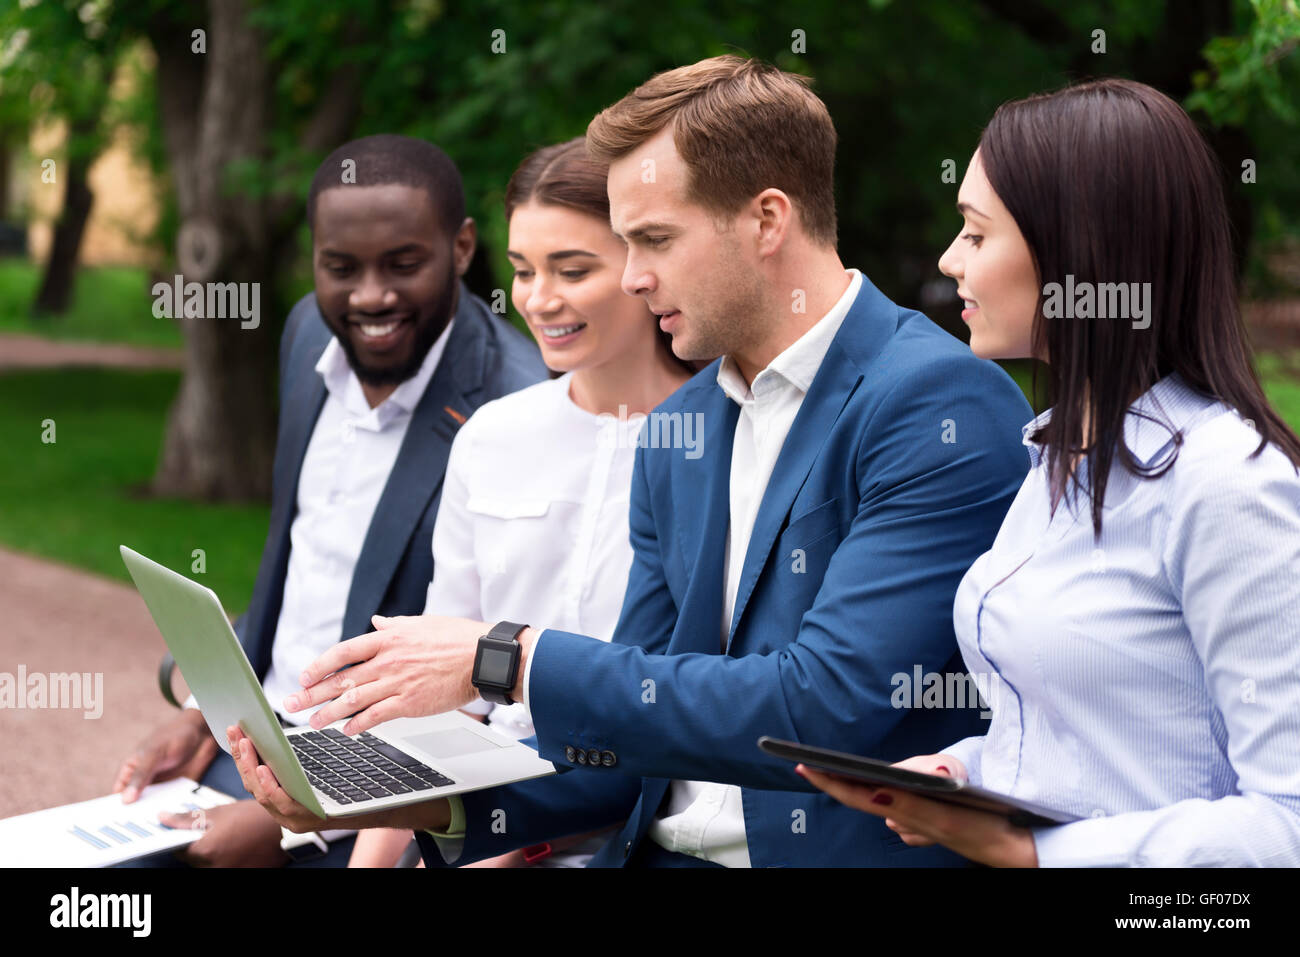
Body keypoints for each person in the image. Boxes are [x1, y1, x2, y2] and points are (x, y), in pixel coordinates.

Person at [228, 55, 1035, 868]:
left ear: (766, 220)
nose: (636, 276)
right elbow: (629, 741)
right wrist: (399, 796)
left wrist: (501, 656)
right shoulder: (681, 428)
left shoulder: (939, 405)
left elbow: (818, 710)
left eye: (653, 240)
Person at [799, 77, 1300, 867]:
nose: (947, 258)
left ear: (1076, 250)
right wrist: (968, 770)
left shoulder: (1228, 485)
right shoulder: (1058, 461)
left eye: (975, 232)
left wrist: (1038, 853)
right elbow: (1092, 738)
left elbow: (1287, 820)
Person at [111, 134, 548, 867]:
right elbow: (296, 560)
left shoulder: (518, 405)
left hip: (388, 806)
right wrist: (202, 713)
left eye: (403, 264)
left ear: (464, 248)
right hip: (253, 747)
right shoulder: (308, 333)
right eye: (340, 268)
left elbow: (494, 702)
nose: (369, 296)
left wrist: (297, 824)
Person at [347, 138, 695, 868]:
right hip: (475, 808)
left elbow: (684, 711)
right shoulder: (491, 438)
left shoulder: (714, 442)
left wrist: (516, 839)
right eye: (524, 271)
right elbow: (437, 686)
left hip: (632, 826)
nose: (538, 299)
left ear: (643, 264)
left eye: (572, 269)